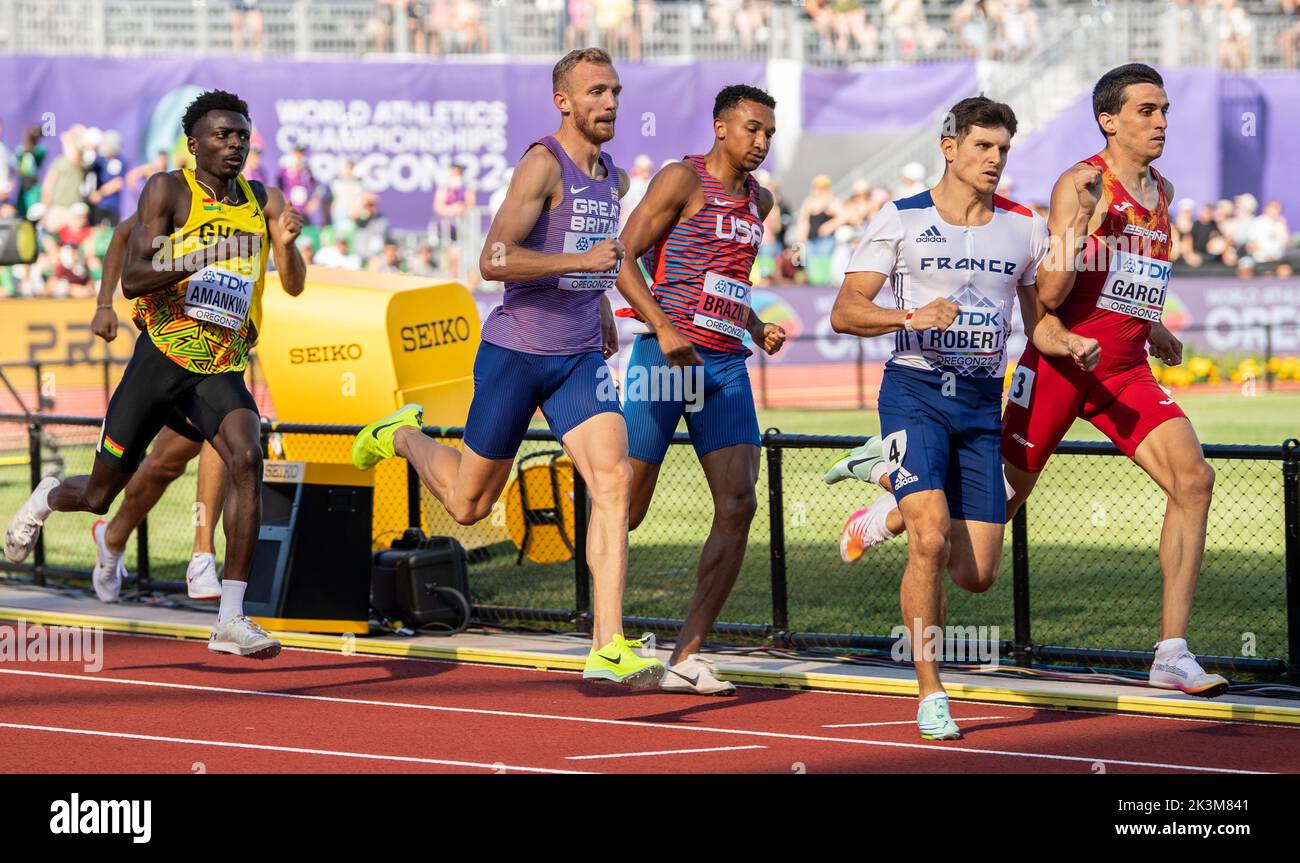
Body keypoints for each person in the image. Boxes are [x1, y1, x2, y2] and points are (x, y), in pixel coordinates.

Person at [829, 64, 1230, 703]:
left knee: (1194, 479)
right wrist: (1077, 230)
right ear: (1109, 120)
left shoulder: (1164, 190)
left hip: (1121, 369)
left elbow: (1131, 273)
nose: (1160, 122)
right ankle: (894, 500)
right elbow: (1050, 294)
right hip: (1059, 368)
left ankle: (1171, 652)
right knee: (980, 553)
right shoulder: (1079, 183)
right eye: (1146, 111)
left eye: (1164, 110)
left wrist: (1149, 323)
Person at [350, 49, 663, 688]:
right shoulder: (542, 164)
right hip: (516, 352)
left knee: (613, 484)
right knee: (468, 504)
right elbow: (494, 259)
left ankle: (608, 642)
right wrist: (580, 269)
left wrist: (601, 300)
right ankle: (405, 434)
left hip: (577, 357)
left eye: (615, 91)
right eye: (596, 92)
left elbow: (590, 251)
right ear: (564, 102)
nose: (609, 103)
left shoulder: (613, 178)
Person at [825, 96, 1094, 740]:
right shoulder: (901, 219)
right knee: (929, 538)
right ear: (949, 147)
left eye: (1003, 149)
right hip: (913, 392)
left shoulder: (1023, 226)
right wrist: (908, 316)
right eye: (982, 146)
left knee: (976, 576)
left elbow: (1040, 324)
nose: (994, 159)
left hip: (979, 404)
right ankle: (930, 692)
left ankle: (884, 496)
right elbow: (844, 311)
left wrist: (1071, 343)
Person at [5, 90, 306, 660]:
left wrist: (285, 247)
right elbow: (135, 275)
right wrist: (199, 257)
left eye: (242, 135)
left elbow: (291, 283)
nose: (234, 144)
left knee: (246, 454)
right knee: (98, 494)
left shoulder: (263, 200)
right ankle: (49, 497)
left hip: (219, 364)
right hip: (160, 358)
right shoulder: (168, 189)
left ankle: (231, 618)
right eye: (222, 135)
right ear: (194, 144)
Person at [614, 84, 785, 695]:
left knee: (739, 504)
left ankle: (686, 654)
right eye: (750, 129)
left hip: (725, 368)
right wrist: (662, 330)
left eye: (768, 132)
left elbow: (727, 281)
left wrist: (758, 327)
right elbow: (622, 257)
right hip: (663, 360)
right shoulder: (679, 180)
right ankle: (608, 639)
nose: (760, 141)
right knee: (624, 509)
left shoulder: (759, 201)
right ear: (719, 127)